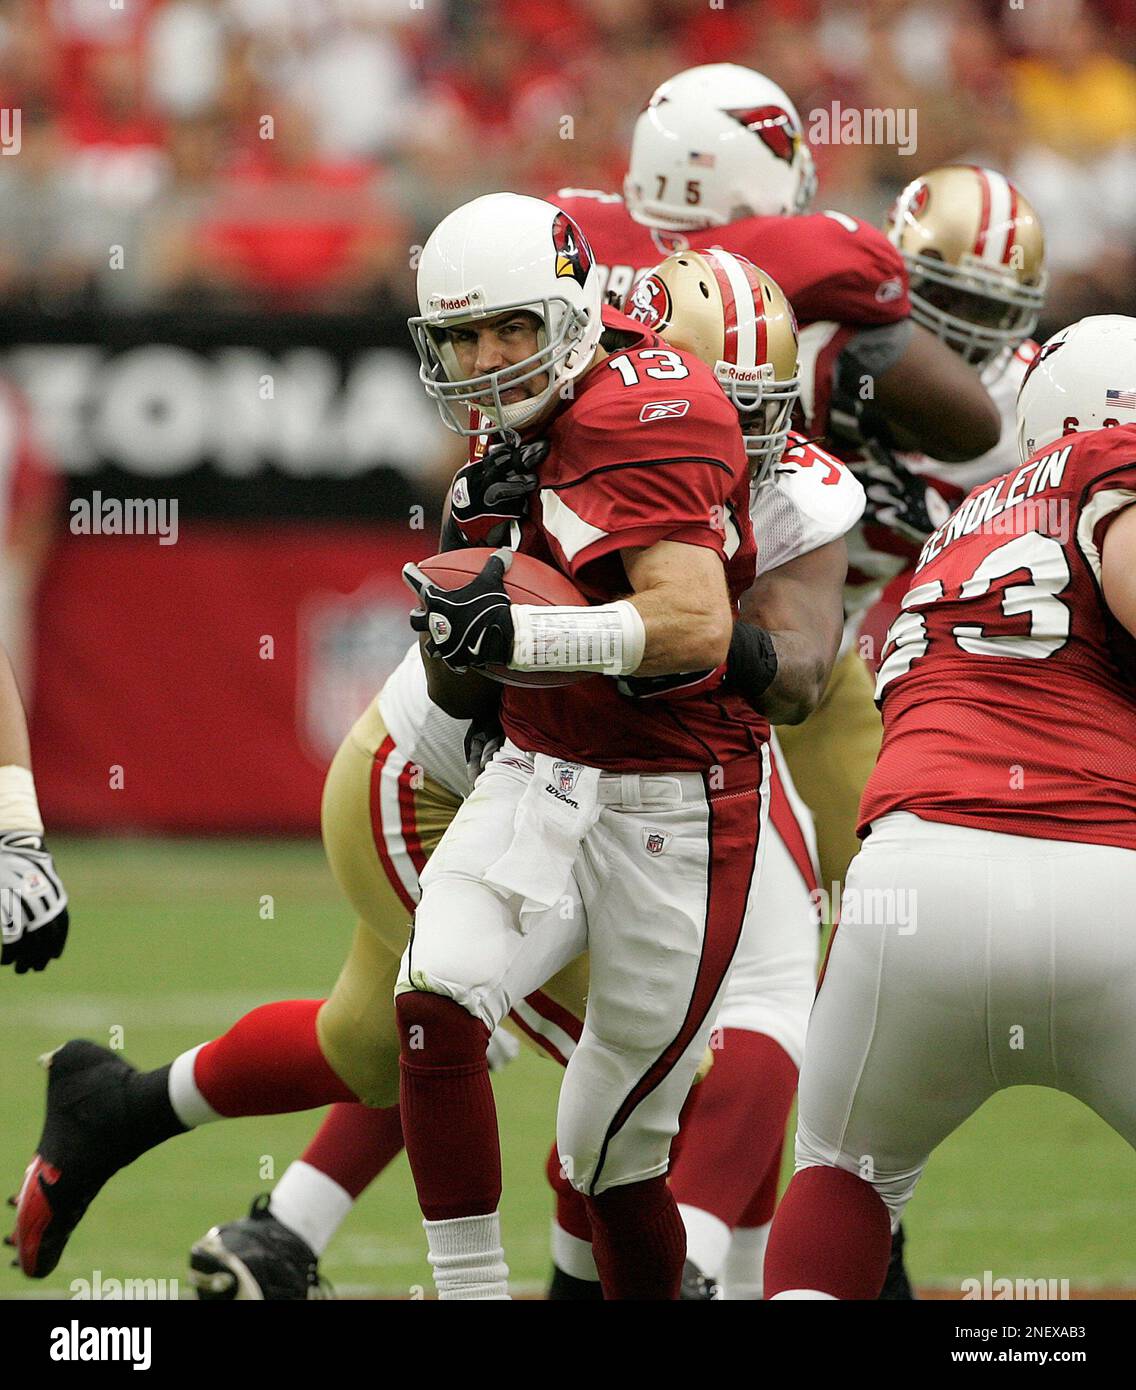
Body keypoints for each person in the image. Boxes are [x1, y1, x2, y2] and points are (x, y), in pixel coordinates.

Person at [763, 314, 1136, 1299]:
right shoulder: (1112, 459)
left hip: (913, 883)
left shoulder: (956, 530)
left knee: (843, 1174)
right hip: (1100, 878)